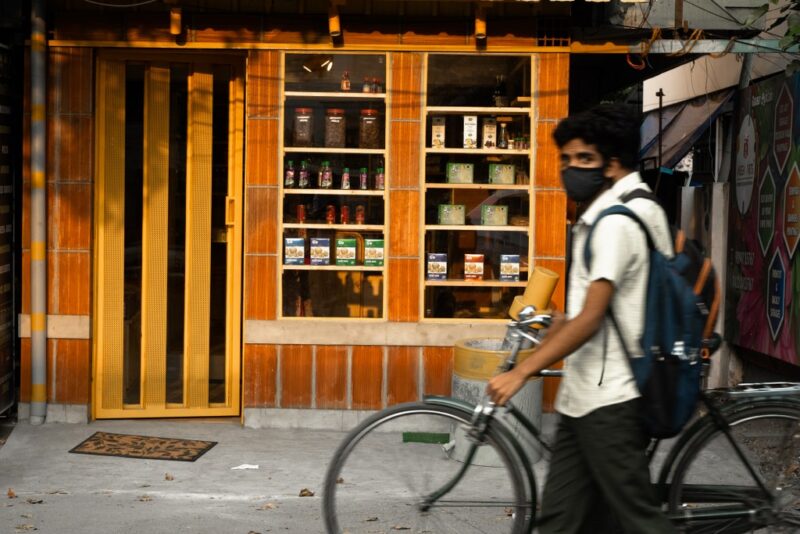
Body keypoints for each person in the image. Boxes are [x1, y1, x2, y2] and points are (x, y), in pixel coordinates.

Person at [486, 103, 676, 533]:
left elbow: (592, 319)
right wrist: (555, 322)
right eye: (566, 159)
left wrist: (523, 373)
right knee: (561, 520)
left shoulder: (615, 223)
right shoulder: (636, 207)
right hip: (585, 395)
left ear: (610, 164)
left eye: (583, 159)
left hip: (612, 397)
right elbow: (611, 310)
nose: (570, 170)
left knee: (639, 521)